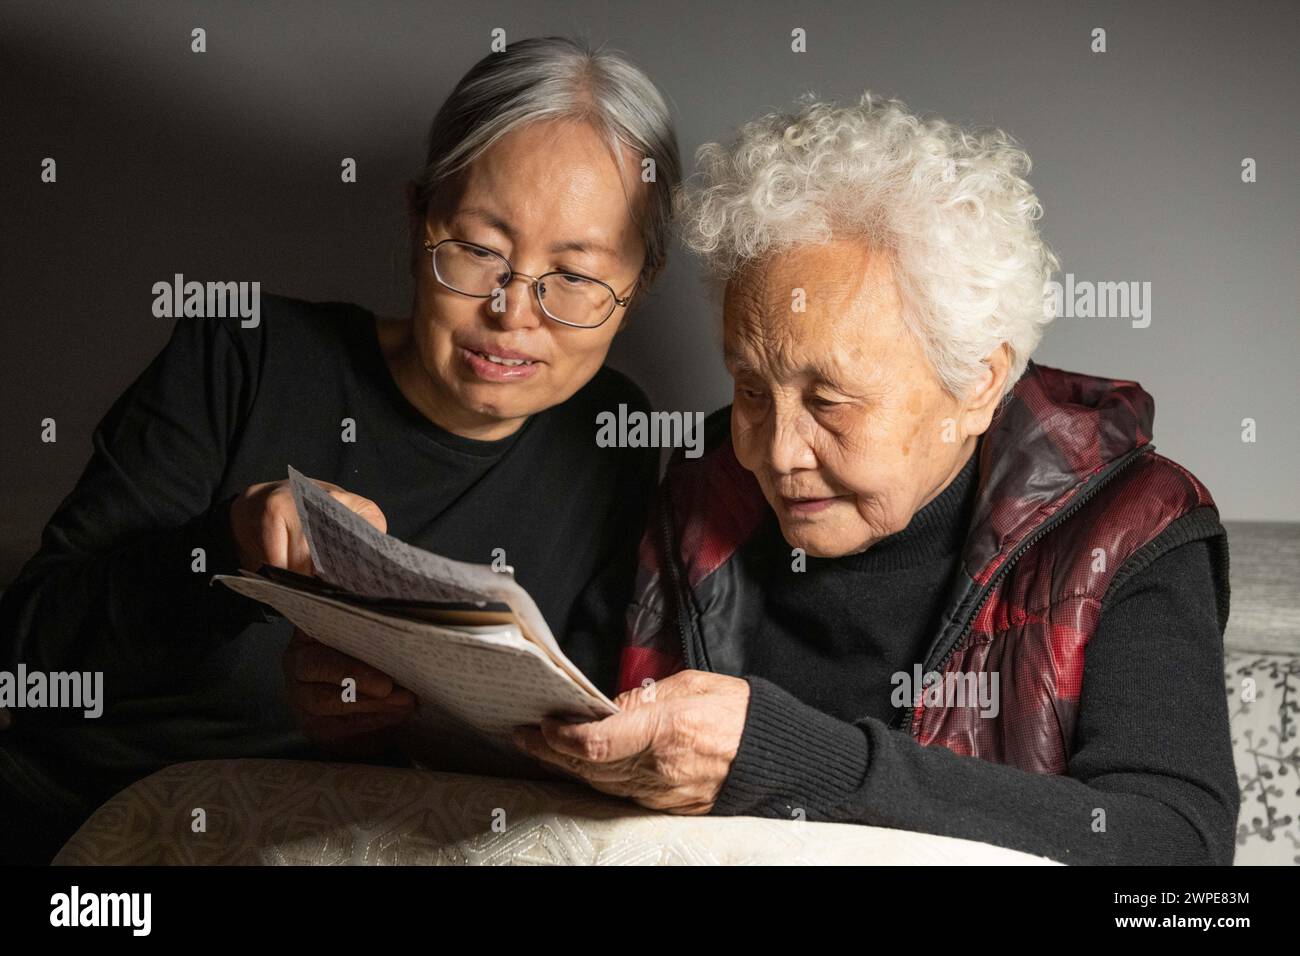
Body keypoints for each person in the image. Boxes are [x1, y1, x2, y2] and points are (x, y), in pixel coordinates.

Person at [511, 92, 1239, 865]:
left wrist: (790, 760)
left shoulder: (1130, 525)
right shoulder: (699, 493)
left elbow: (1175, 852)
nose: (776, 452)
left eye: (830, 400)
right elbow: (549, 741)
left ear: (978, 384)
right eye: (752, 390)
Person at [0, 36, 679, 864]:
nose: (512, 311)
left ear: (637, 287)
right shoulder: (244, 354)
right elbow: (28, 653)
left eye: (573, 276)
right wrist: (230, 546)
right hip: (87, 829)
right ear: (415, 218)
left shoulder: (613, 436)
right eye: (478, 250)